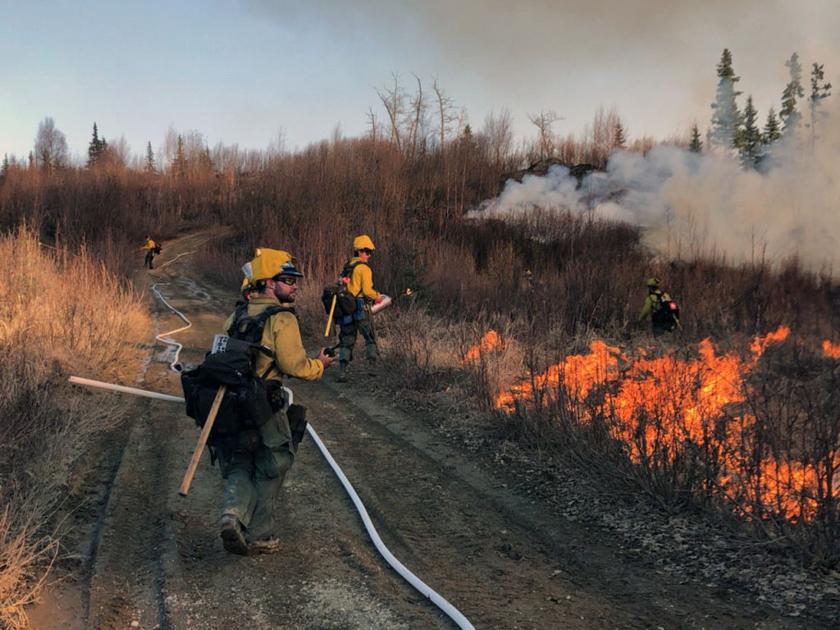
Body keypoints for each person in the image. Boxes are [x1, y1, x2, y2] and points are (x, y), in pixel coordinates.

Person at [217, 248, 336, 555]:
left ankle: (232, 515)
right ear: (268, 284)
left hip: (230, 403)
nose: (295, 285)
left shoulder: (236, 315)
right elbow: (294, 365)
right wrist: (320, 364)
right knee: (273, 465)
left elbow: (217, 355)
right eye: (287, 279)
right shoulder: (282, 318)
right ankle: (261, 535)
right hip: (264, 406)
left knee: (240, 462)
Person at [336, 234, 383, 382]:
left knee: (346, 339)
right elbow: (367, 291)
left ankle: (342, 372)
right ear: (360, 251)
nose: (369, 255)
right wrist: (378, 296)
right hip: (361, 308)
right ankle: (372, 368)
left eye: (370, 252)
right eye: (367, 251)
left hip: (346, 308)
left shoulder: (347, 267)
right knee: (370, 338)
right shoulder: (364, 269)